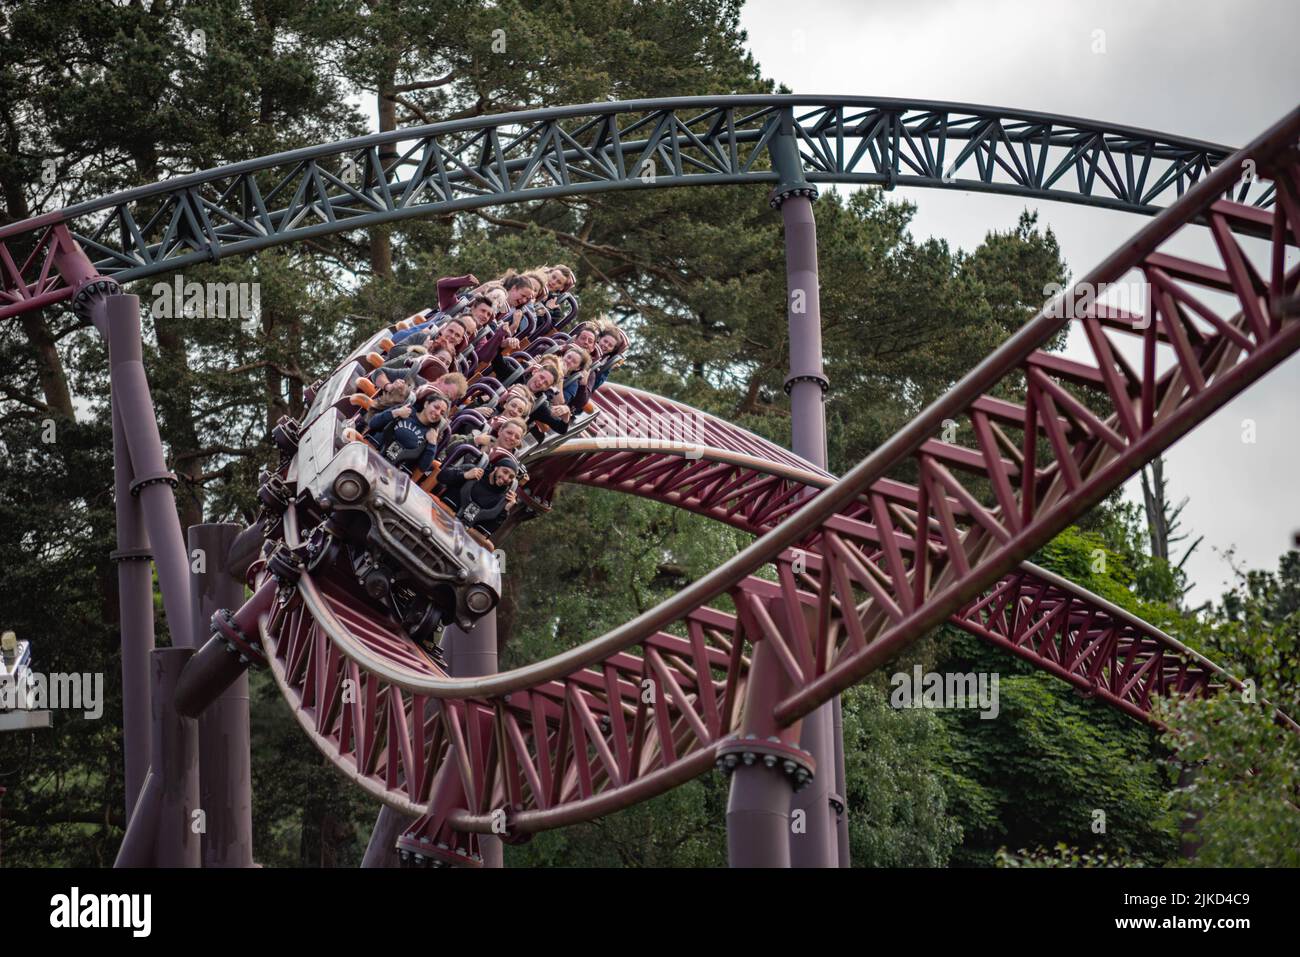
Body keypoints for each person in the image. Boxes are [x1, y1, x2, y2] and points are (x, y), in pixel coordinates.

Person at [437, 450, 521, 535]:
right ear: (496, 468)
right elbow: (441, 476)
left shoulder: (502, 498)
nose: (506, 478)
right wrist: (464, 475)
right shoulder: (474, 470)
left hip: (460, 534)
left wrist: (505, 510)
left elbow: (489, 530)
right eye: (505, 472)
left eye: (511, 477)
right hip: (441, 515)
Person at [365, 391, 450, 474]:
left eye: (442, 413)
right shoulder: (405, 410)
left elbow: (423, 467)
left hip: (391, 472)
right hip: (370, 452)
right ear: (426, 404)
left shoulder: (432, 434)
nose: (438, 413)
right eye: (436, 407)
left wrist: (432, 444)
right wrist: (395, 413)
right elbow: (373, 424)